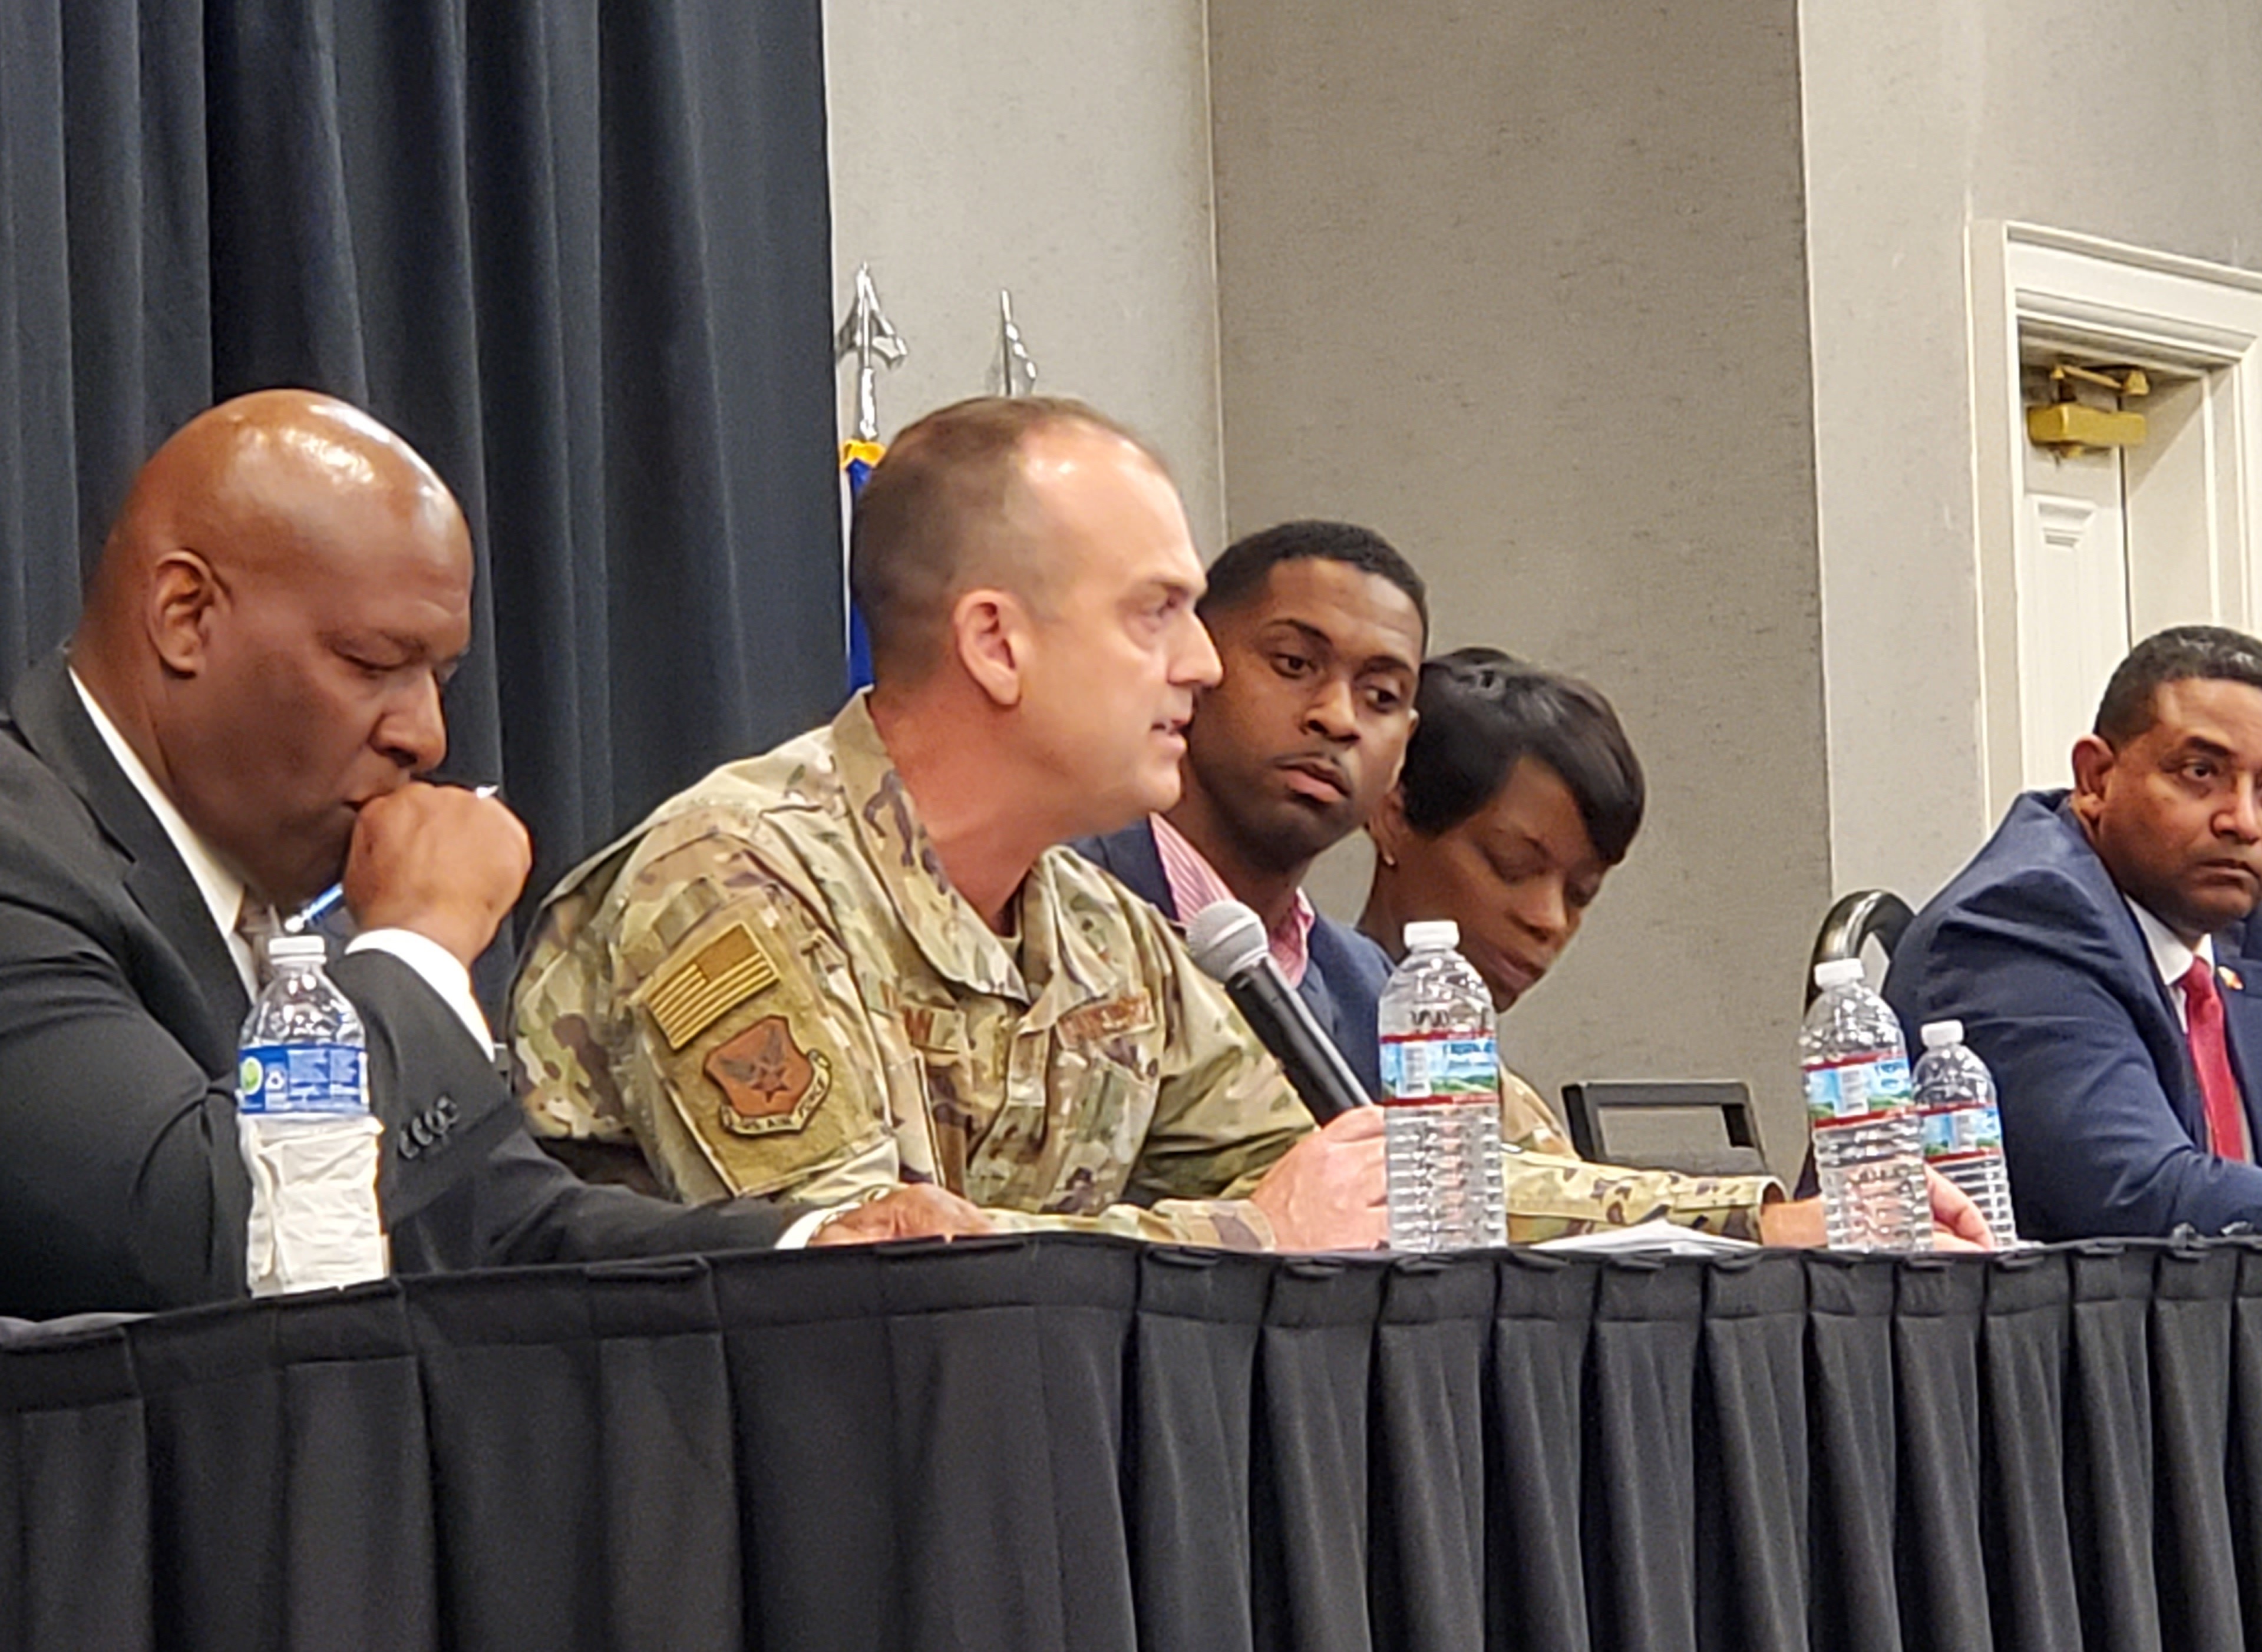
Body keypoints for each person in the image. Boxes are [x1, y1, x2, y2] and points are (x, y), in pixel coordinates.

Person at [509, 397, 1383, 1251]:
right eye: (1155, 612)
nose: (1201, 664)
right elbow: (866, 1269)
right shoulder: (723, 878)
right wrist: (1257, 1233)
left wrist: (1435, 1179)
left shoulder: (1101, 932)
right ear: (997, 645)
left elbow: (1331, 1171)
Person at [0, 390, 792, 1318]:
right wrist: (419, 943)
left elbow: (501, 1232)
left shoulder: (300, 894)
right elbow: (205, 1240)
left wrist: (810, 1251)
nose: (426, 735)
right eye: (374, 665)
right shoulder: (26, 857)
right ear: (185, 616)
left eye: (439, 678)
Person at [1362, 647, 1987, 1247]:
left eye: (1581, 894)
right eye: (1510, 865)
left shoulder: (1510, 1099)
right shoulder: (1307, 1030)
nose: (1549, 919)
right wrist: (1763, 1223)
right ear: (1391, 816)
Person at [1887, 624, 2262, 1239]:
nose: (2243, 821)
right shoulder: (2017, 922)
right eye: (2201, 773)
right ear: (2095, 778)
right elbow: (2147, 1198)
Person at [1071, 520, 1425, 1096]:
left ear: (1404, 746)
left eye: (1380, 697)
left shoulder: (1374, 993)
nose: (1337, 717)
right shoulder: (1052, 909)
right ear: (1194, 664)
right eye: (1293, 664)